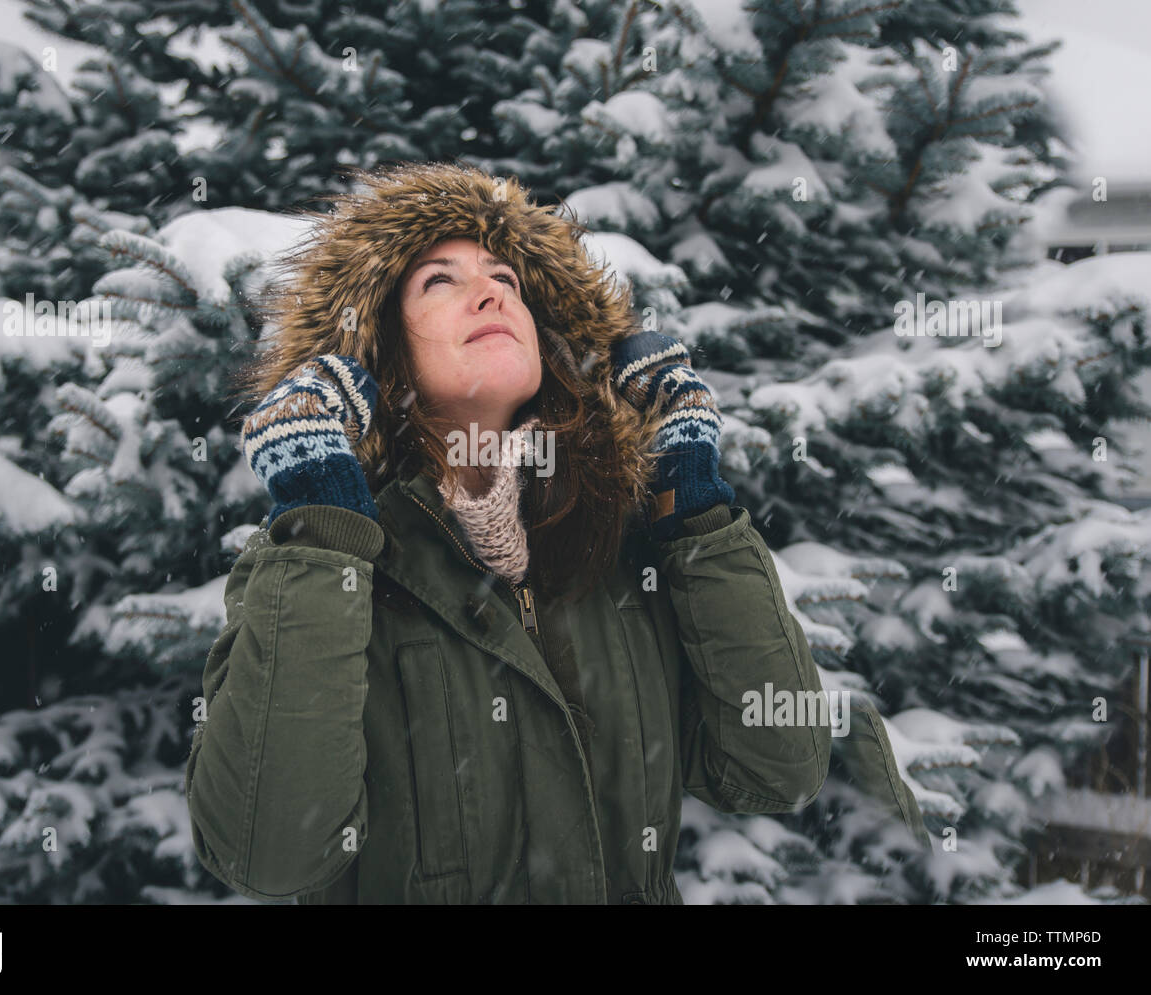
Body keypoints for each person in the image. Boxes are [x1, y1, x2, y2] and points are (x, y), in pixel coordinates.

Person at [184, 159, 928, 905]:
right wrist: (323, 516)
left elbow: (776, 768)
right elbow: (270, 852)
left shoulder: (624, 545)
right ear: (381, 355)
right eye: (439, 281)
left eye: (506, 279)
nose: (491, 292)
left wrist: (693, 503)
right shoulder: (323, 563)